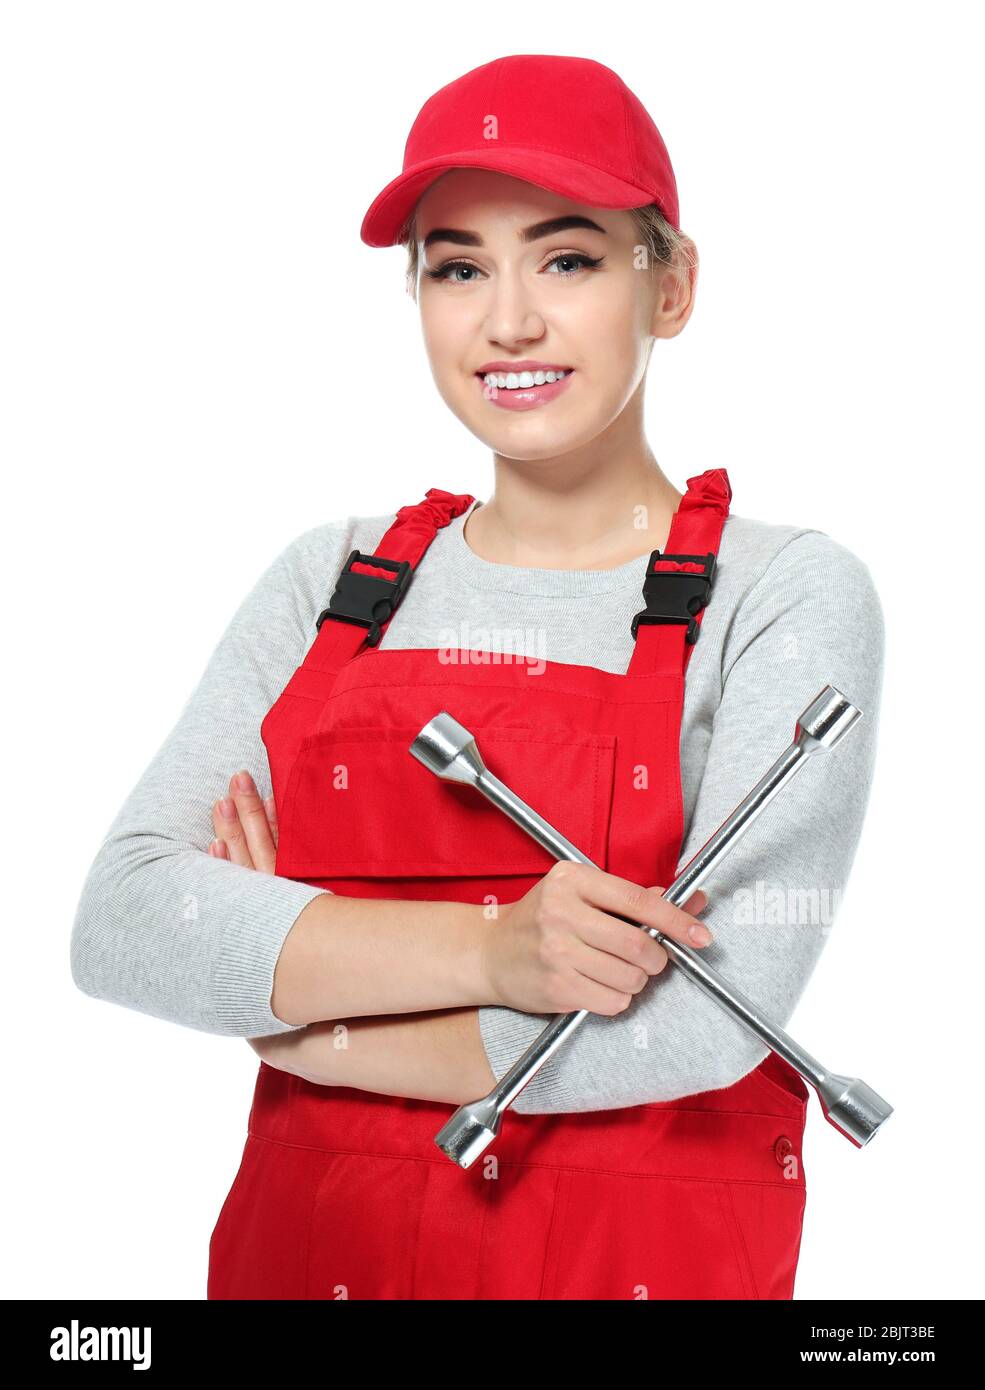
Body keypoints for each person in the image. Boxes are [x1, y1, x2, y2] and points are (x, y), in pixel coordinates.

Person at [70, 54, 885, 1301]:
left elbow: (713, 1015)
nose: (507, 322)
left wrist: (309, 1020)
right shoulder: (329, 579)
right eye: (458, 267)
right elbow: (128, 923)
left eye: (568, 259)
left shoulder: (782, 596)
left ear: (670, 287)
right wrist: (501, 953)